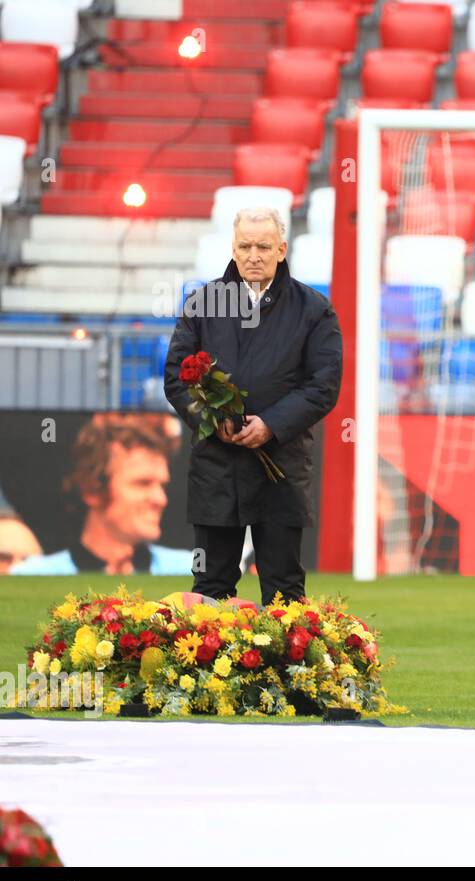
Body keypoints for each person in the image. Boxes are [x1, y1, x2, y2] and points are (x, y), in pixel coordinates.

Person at [163, 207, 343, 606]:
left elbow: (324, 385)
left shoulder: (313, 309)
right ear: (233, 247)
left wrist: (271, 425)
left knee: (284, 594)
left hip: (281, 465)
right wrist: (211, 421)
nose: (253, 255)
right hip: (215, 463)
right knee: (209, 589)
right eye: (245, 246)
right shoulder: (202, 303)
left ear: (281, 249)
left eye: (264, 246)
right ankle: (209, 670)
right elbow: (176, 376)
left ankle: (289, 671)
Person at [10, 414, 192, 575]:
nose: (160, 499)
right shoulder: (33, 574)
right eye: (142, 483)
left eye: (162, 485)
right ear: (92, 491)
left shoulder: (188, 570)